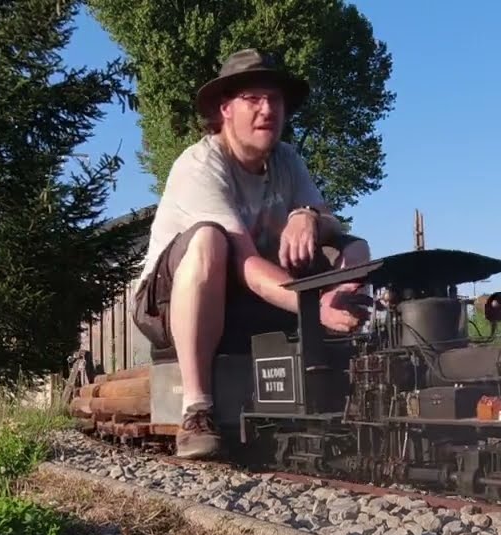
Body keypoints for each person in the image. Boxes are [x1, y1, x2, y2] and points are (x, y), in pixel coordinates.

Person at [131, 49, 371, 459]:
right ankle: (197, 408)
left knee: (356, 247)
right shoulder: (200, 165)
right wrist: (313, 307)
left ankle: (337, 361)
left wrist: (308, 216)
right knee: (209, 240)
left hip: (246, 300)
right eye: (253, 99)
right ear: (225, 109)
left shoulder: (287, 160)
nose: (267, 110)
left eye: (274, 99)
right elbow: (243, 262)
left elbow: (330, 221)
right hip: (168, 305)